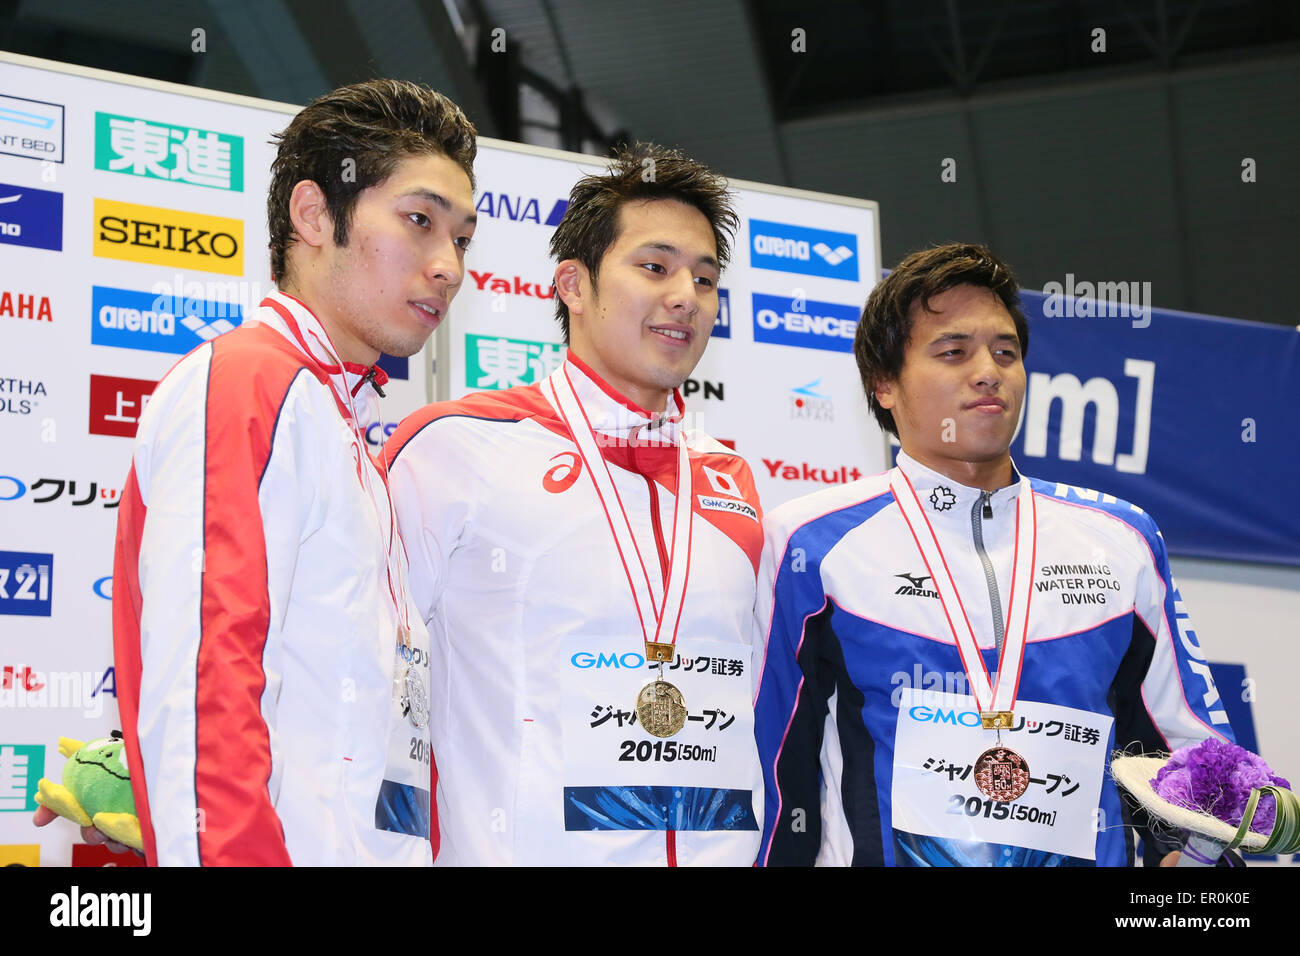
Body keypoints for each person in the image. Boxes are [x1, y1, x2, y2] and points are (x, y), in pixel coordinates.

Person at [36, 79, 479, 865]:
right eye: (419, 221)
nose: (447, 266)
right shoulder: (251, 382)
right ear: (314, 215)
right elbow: (208, 688)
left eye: (462, 238)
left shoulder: (338, 421)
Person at [752, 242, 1235, 867]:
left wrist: (1196, 864)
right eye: (953, 352)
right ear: (884, 384)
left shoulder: (1121, 538)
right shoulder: (811, 543)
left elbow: (1188, 753)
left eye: (1005, 351)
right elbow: (776, 770)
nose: (989, 371)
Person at [383, 144, 764, 865]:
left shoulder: (731, 480)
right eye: (655, 267)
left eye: (705, 277)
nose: (686, 294)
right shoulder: (458, 447)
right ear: (574, 285)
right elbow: (376, 683)